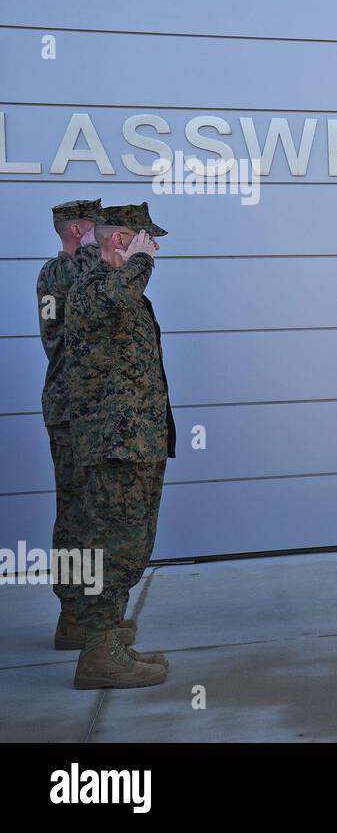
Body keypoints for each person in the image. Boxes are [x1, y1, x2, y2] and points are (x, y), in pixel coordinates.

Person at [64, 202, 175, 689]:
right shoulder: (92, 285)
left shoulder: (115, 287)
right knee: (111, 545)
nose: (151, 248)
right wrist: (140, 261)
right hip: (115, 444)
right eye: (142, 238)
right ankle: (98, 655)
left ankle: (107, 640)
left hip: (136, 440)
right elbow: (115, 296)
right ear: (118, 240)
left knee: (129, 544)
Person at [34, 199, 141, 648]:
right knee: (85, 516)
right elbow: (103, 301)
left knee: (82, 513)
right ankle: (79, 615)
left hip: (75, 408)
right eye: (97, 228)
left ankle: (82, 614)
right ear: (78, 230)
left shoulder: (56, 274)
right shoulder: (67, 273)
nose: (105, 237)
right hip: (78, 410)